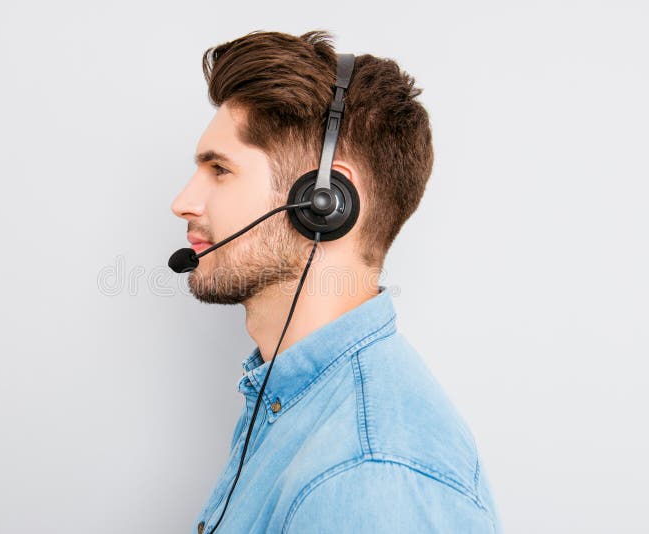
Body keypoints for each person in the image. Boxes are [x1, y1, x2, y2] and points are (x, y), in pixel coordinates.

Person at [170, 30, 501, 534]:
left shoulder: (369, 479)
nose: (183, 202)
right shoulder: (293, 401)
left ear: (323, 200)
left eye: (219, 169)